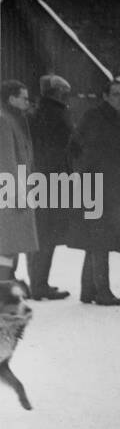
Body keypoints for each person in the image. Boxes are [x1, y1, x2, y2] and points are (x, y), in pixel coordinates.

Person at [66, 78, 120, 306]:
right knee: (100, 238)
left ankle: (88, 290)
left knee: (97, 238)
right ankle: (102, 291)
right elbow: (80, 150)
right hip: (97, 186)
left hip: (113, 187)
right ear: (105, 96)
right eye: (116, 94)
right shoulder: (95, 116)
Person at [26, 75, 74, 300]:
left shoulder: (37, 113)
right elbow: (67, 148)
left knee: (41, 233)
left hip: (40, 178)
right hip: (53, 180)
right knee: (48, 234)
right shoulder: (57, 114)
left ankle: (38, 283)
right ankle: (39, 285)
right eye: (65, 91)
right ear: (57, 92)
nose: (67, 95)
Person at [0, 80, 38, 284]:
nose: (27, 102)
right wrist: (17, 194)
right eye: (24, 98)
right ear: (11, 99)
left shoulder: (14, 119)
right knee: (8, 246)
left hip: (18, 190)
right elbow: (6, 162)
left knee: (11, 245)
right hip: (12, 194)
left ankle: (6, 286)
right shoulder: (4, 120)